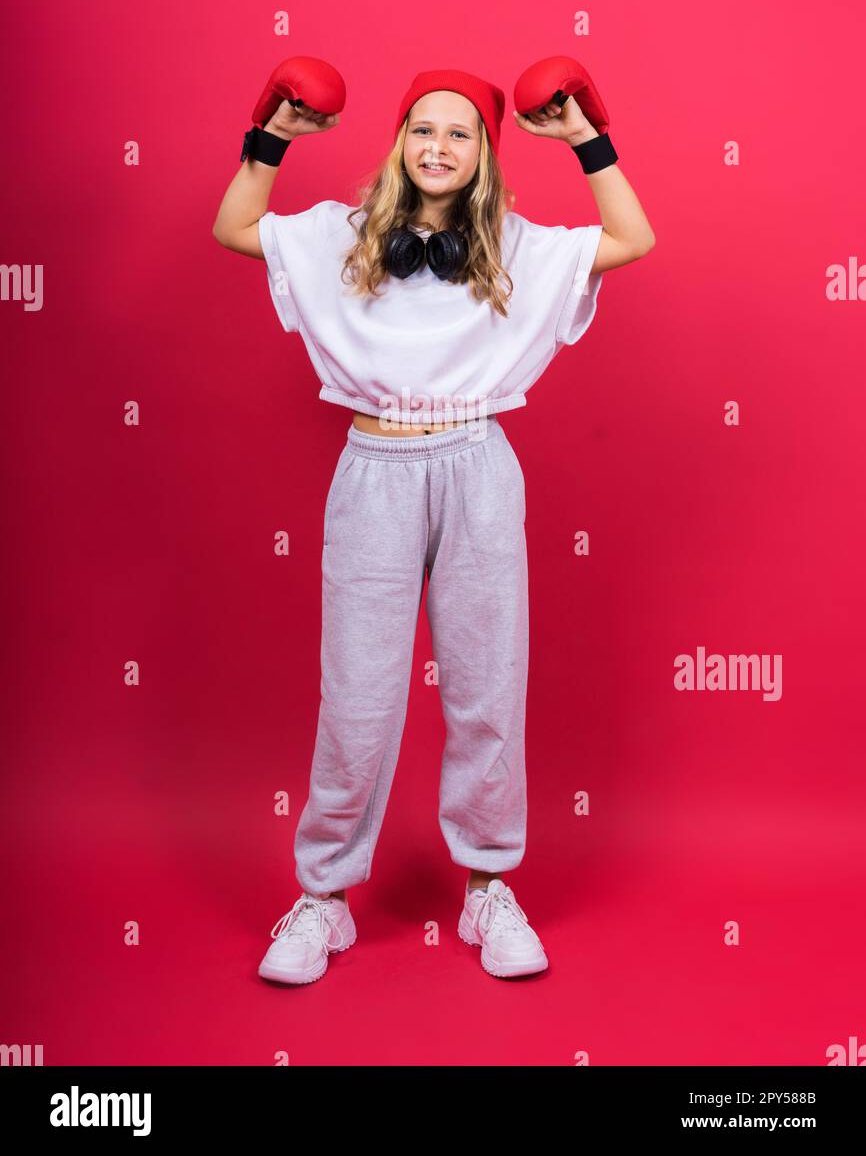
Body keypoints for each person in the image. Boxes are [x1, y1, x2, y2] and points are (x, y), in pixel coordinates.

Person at [212, 65, 655, 984]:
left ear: (485, 153)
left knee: (487, 687)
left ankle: (488, 888)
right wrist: (275, 132)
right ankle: (323, 900)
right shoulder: (345, 235)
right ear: (400, 142)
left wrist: (584, 137)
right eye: (422, 129)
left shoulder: (518, 247)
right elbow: (233, 227)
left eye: (459, 132)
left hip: (476, 467)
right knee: (358, 695)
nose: (438, 146)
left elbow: (632, 235)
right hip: (372, 469)